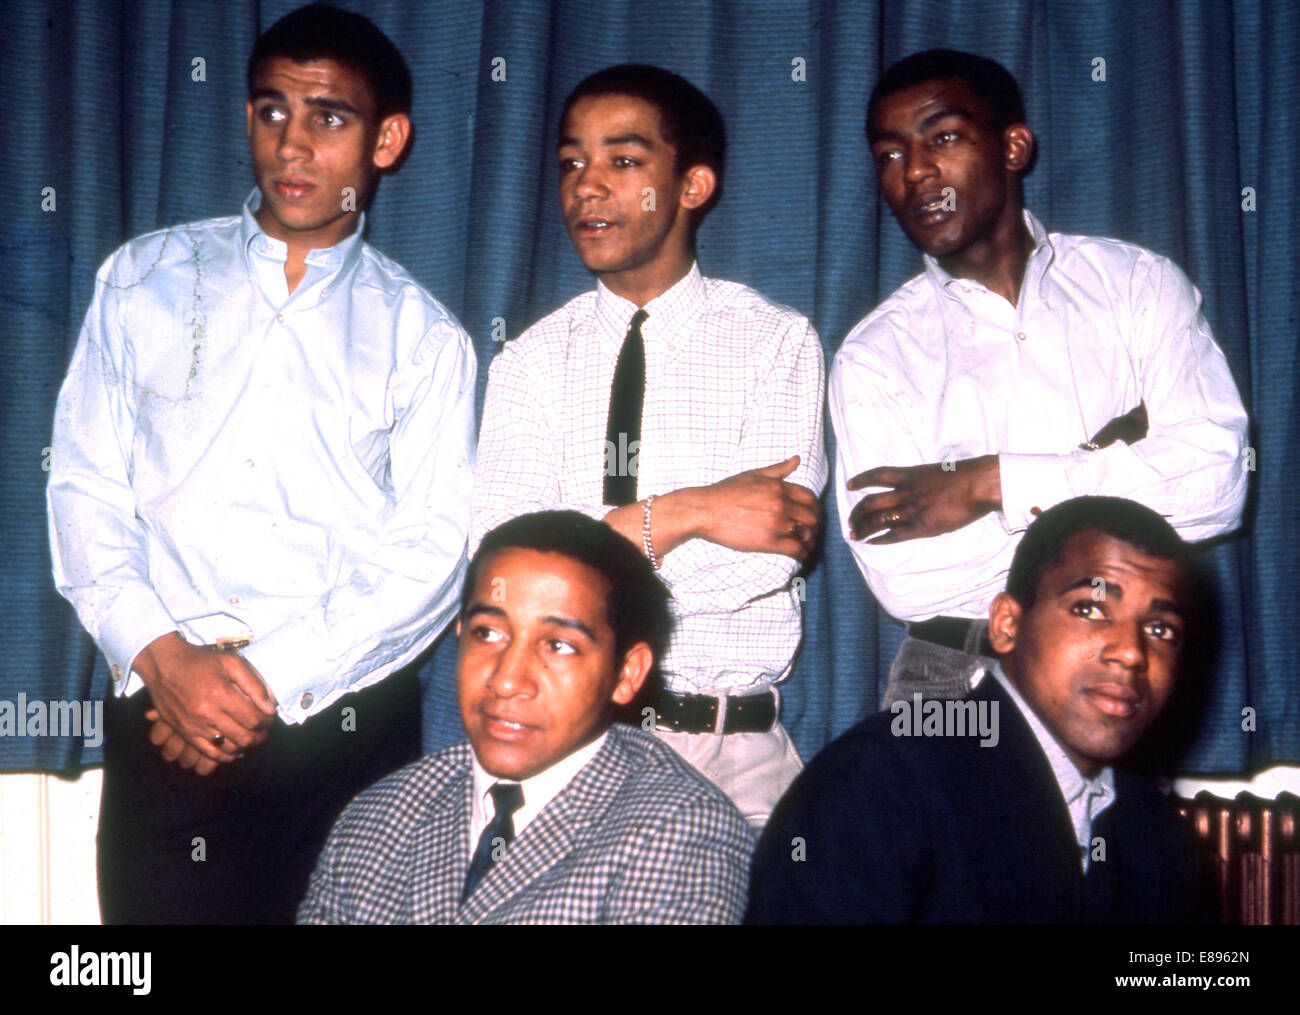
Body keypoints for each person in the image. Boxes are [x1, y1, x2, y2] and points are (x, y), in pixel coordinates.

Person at [45, 3, 476, 924]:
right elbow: (82, 489)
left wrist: (262, 678)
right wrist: (164, 661)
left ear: (387, 139)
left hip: (342, 726)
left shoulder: (423, 334)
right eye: (270, 109)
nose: (291, 143)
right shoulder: (143, 278)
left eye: (329, 116)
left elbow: (435, 548)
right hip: (163, 716)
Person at [829, 49, 1248, 709]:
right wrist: (1101, 464)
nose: (914, 172)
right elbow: (905, 580)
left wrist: (990, 483)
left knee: (1116, 816)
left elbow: (1216, 483)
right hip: (948, 676)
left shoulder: (1137, 287)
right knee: (928, 809)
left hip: (1119, 656)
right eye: (889, 154)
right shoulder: (876, 353)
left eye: (943, 138)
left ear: (1014, 146)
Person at [471, 65, 828, 828]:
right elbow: (501, 571)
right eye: (571, 163)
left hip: (729, 751)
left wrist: (576, 570)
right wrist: (689, 512)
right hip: (558, 743)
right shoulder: (528, 362)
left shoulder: (775, 342)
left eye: (623, 161)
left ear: (694, 184)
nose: (586, 188)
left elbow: (765, 555)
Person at [745, 496, 1211, 924]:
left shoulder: (1155, 833)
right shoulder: (881, 780)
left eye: (1160, 629)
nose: (1131, 652)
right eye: (1089, 609)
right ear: (1006, 625)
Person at [298, 511, 754, 924]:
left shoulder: (682, 834)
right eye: (489, 633)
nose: (508, 680)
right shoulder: (381, 816)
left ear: (626, 673)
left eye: (558, 645)